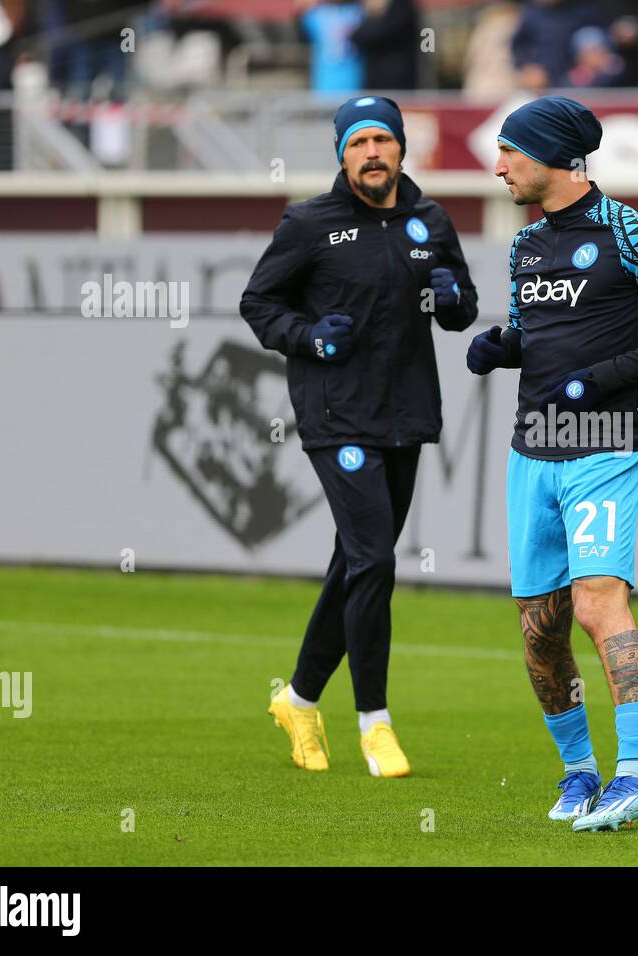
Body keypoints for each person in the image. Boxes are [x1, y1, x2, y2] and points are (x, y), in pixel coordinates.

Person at [466, 96, 638, 832]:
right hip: (529, 450)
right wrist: (499, 347)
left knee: (600, 601)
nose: (498, 165)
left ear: (551, 159)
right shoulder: (524, 245)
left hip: (604, 444)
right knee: (541, 627)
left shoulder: (633, 231)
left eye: (510, 152)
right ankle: (579, 775)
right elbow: (537, 335)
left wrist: (605, 377)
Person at [240, 96, 478, 777]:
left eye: (382, 141)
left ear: (402, 149)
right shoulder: (310, 223)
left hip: (405, 413)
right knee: (375, 559)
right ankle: (375, 722)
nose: (372, 153)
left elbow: (459, 307)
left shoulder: (429, 220)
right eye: (358, 143)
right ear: (342, 156)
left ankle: (299, 699)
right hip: (336, 414)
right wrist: (308, 338)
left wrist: (454, 299)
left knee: (357, 562)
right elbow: (259, 304)